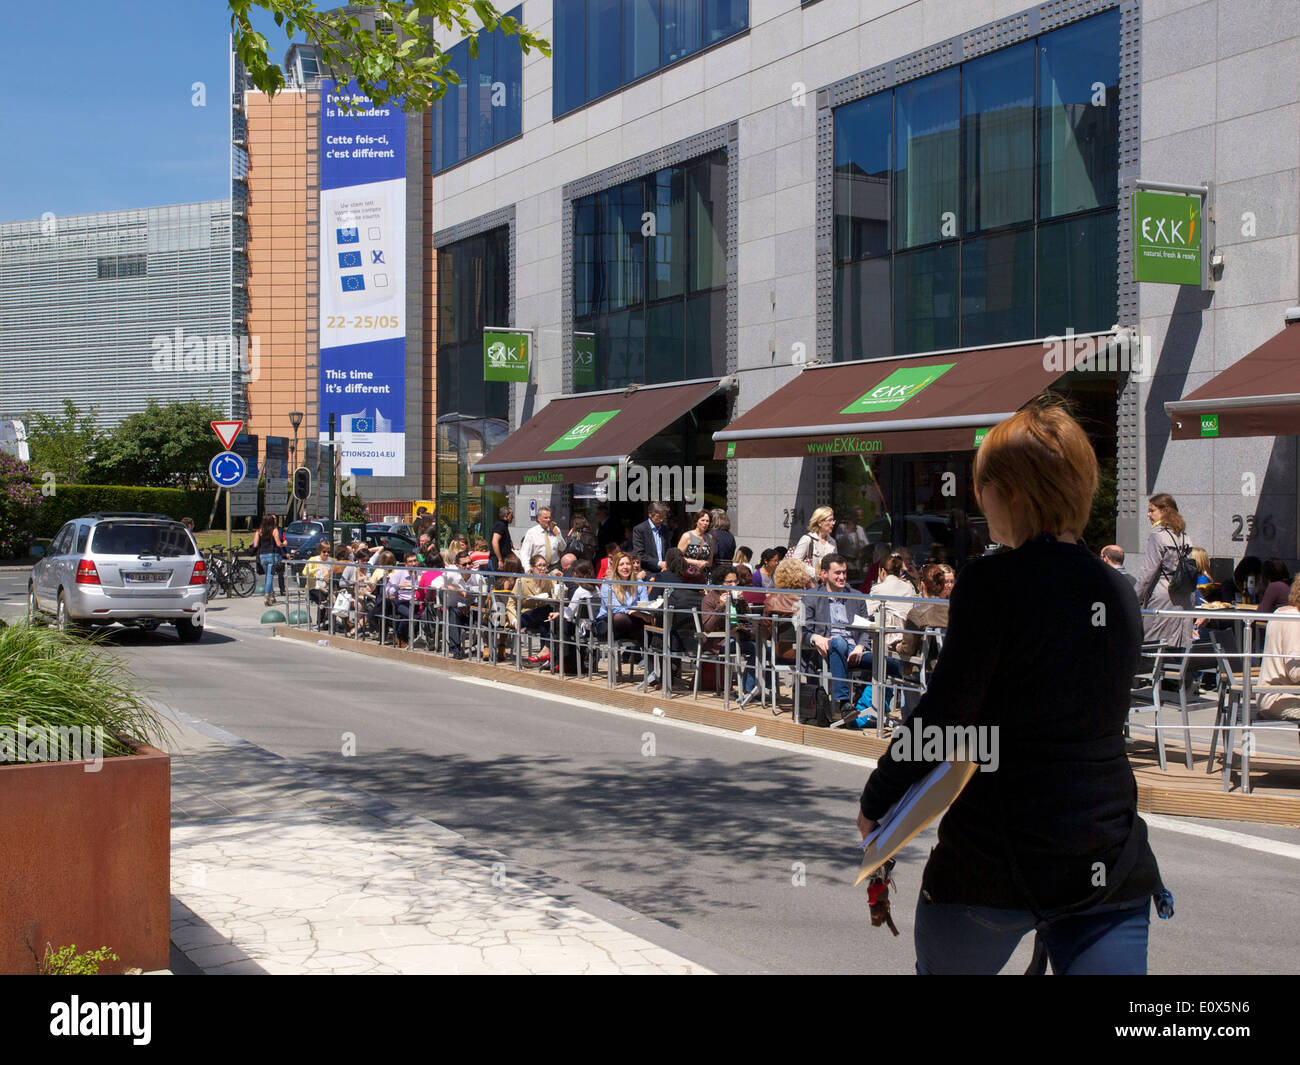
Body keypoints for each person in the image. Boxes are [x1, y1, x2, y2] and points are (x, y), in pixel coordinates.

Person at [857, 398, 1164, 975]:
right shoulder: (1118, 589)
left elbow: (948, 711)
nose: (978, 499)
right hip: (1106, 851)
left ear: (1013, 493)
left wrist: (881, 797)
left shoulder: (992, 582)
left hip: (994, 853)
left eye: (984, 486)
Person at [803, 553, 901, 725]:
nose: (842, 577)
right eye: (837, 573)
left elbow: (865, 628)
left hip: (854, 650)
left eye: (844, 572)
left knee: (893, 664)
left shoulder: (856, 596)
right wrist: (815, 638)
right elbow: (803, 629)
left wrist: (861, 646)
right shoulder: (811, 597)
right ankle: (845, 704)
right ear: (824, 574)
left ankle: (872, 705)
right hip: (827, 650)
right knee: (838, 642)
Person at [1135, 493, 1195, 648]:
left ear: (1164, 511)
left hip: (1163, 595)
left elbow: (1147, 573)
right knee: (1178, 646)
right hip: (1184, 596)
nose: (1148, 515)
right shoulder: (1184, 536)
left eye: (1151, 510)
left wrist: (1134, 598)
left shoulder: (1158, 535)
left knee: (1153, 645)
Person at [701, 565, 758, 700]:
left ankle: (747, 689)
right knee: (753, 648)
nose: (733, 585)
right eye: (729, 582)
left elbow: (748, 619)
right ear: (720, 582)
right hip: (719, 641)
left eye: (735, 581)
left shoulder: (735, 597)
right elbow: (708, 627)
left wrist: (742, 602)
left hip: (739, 636)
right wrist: (720, 606)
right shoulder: (709, 599)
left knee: (761, 650)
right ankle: (747, 690)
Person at [1258, 576, 1300, 738]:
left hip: (1274, 695)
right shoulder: (1295, 621)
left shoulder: (1283, 612)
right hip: (1279, 699)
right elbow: (1295, 672)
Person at [594, 551, 653, 644]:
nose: (625, 567)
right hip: (609, 622)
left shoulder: (639, 583)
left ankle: (646, 654)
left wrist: (645, 614)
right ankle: (639, 650)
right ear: (616, 567)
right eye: (621, 564)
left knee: (652, 620)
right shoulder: (608, 583)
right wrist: (635, 613)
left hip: (632, 623)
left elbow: (644, 605)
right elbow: (614, 608)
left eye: (628, 564)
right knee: (620, 618)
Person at [866, 555, 920, 652]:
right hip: (907, 636)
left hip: (888, 640)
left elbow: (866, 612)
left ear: (882, 571)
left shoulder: (878, 589)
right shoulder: (908, 587)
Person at [792, 506, 837, 579]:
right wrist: (816, 573)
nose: (833, 523)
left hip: (827, 585)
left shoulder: (833, 542)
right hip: (810, 586)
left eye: (833, 520)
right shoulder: (807, 539)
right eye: (830, 520)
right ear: (820, 523)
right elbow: (794, 562)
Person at [253, 515, 288, 605]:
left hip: (262, 556)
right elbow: (278, 543)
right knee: (270, 576)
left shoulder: (259, 531)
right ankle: (267, 596)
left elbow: (255, 544)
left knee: (268, 576)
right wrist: (284, 544)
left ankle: (271, 595)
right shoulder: (274, 530)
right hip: (273, 555)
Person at [516, 506, 564, 571]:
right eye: (546, 518)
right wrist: (528, 570)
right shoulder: (531, 533)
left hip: (554, 566)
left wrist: (558, 536)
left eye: (550, 517)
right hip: (539, 568)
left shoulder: (556, 529)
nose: (549, 520)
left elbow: (562, 548)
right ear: (539, 519)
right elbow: (525, 553)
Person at [632, 501, 673, 575]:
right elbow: (639, 554)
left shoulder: (665, 529)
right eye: (658, 517)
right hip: (647, 572)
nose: (661, 520)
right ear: (650, 514)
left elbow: (668, 550)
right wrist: (659, 563)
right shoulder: (640, 529)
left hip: (665, 571)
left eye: (663, 517)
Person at [677, 510, 715, 584]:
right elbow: (678, 558)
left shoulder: (709, 538)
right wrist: (696, 562)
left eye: (707, 521)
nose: (705, 523)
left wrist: (704, 563)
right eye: (702, 520)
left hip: (703, 575)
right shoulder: (687, 536)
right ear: (696, 521)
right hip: (688, 574)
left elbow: (710, 561)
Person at [836, 506, 870, 581]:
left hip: (858, 563)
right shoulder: (842, 528)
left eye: (861, 516)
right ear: (852, 516)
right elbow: (838, 543)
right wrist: (848, 532)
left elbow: (866, 545)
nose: (860, 518)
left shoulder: (860, 529)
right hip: (847, 562)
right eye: (857, 516)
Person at [490, 505, 514, 570]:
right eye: (511, 515)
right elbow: (495, 541)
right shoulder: (500, 525)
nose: (513, 517)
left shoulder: (503, 525)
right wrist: (500, 560)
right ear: (506, 515)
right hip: (498, 561)